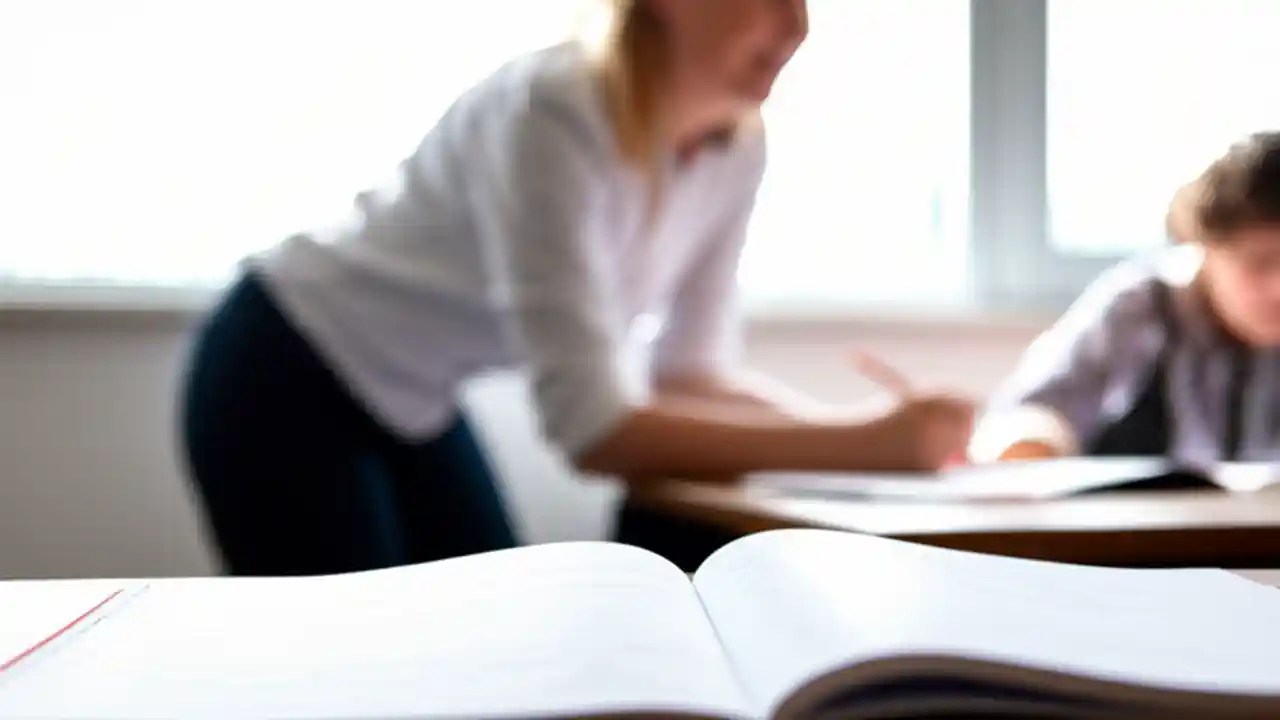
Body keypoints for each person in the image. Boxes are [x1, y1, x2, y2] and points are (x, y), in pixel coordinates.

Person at [182, 0, 975, 576]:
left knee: (495, 642)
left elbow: (688, 374)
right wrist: (864, 445)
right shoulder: (552, 110)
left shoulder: (735, 146)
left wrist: (879, 440)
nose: (797, 25)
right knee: (356, 678)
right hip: (282, 367)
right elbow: (591, 427)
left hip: (414, 401)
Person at [972, 131, 1280, 465]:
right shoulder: (1145, 305)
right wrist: (1029, 445)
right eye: (1259, 262)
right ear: (1207, 248)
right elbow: (1026, 415)